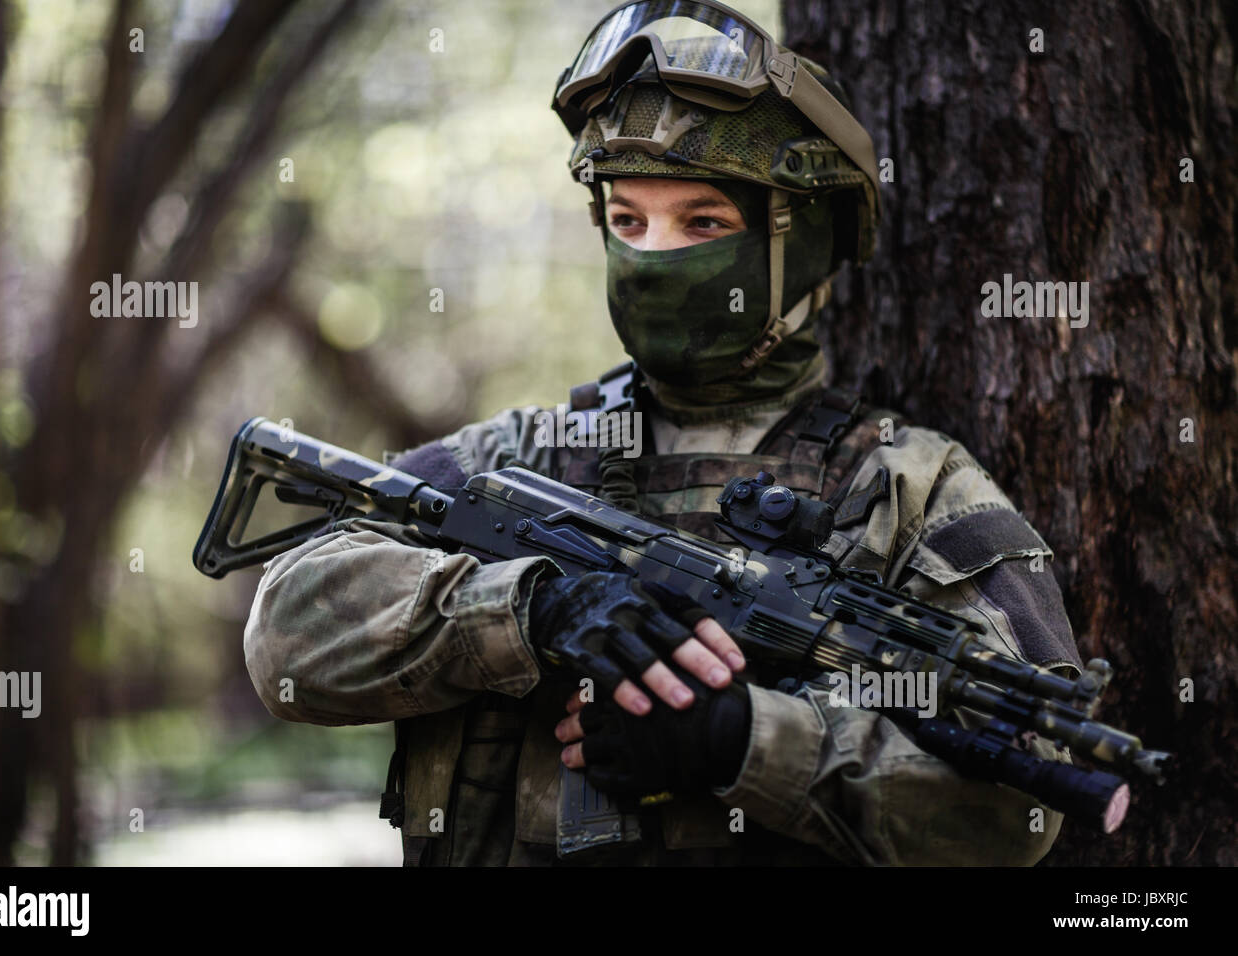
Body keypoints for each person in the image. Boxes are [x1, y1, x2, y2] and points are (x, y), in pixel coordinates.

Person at [242, 0, 1083, 866]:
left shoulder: (905, 489)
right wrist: (528, 607)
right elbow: (285, 637)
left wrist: (742, 744)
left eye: (703, 222)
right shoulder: (515, 459)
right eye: (627, 220)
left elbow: (1023, 805)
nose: (652, 255)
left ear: (799, 244)